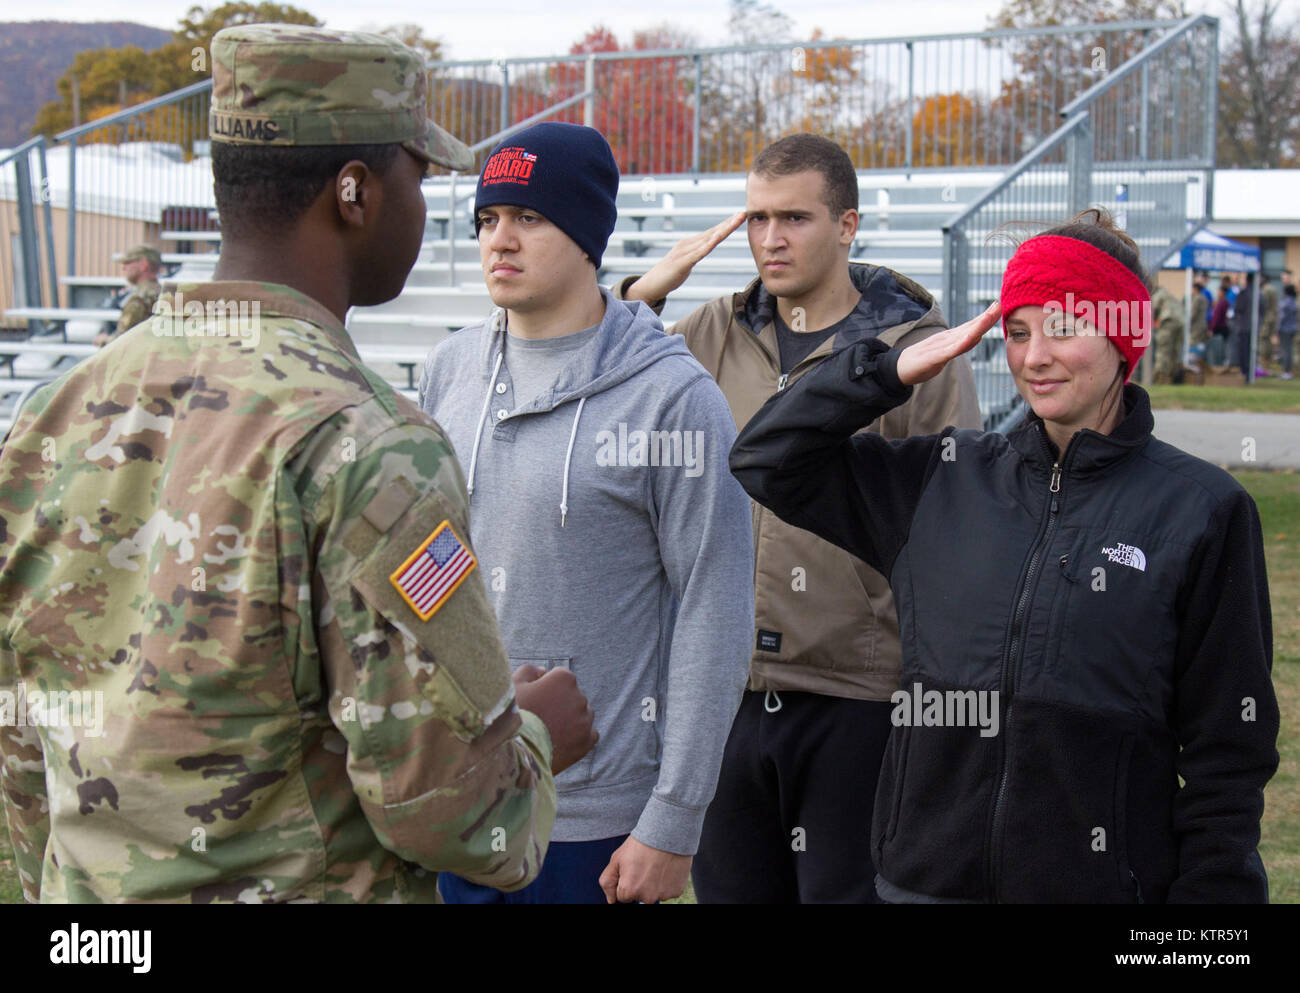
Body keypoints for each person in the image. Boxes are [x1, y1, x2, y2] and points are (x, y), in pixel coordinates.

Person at [0, 24, 598, 904]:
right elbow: (455, 818)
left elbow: (25, 745)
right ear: (354, 191)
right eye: (418, 179)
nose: (429, 210)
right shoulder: (368, 440)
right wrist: (536, 738)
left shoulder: (53, 413)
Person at [731, 208, 1279, 902]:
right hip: (921, 887)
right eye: (1017, 332)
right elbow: (765, 458)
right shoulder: (938, 477)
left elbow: (1229, 752)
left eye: (1064, 327)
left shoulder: (1202, 509)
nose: (1034, 356)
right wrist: (887, 370)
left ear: (1124, 338)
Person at [618, 132, 982, 903]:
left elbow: (953, 520)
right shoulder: (710, 330)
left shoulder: (913, 346)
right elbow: (602, 374)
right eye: (755, 218)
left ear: (847, 225)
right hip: (723, 687)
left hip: (855, 691)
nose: (770, 238)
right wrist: (642, 296)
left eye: (794, 218)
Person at [419, 122, 754, 905]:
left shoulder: (674, 398)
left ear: (586, 235)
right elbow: (438, 556)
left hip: (597, 825)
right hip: (465, 798)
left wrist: (672, 820)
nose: (500, 240)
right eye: (487, 219)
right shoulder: (450, 368)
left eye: (528, 218)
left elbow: (716, 607)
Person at [93, 244, 162, 346]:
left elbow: (122, 341)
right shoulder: (162, 292)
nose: (124, 268)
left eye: (128, 262)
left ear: (144, 265)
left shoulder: (141, 298)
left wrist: (103, 340)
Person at [1150, 284, 1185, 384]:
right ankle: (1173, 378)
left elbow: (1152, 310)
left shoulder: (1158, 295)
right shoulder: (1169, 295)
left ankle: (1160, 379)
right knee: (1175, 351)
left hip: (1168, 321)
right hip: (1181, 322)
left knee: (1163, 350)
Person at [1260, 273, 1279, 370]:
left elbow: (1264, 304)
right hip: (1273, 316)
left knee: (1263, 338)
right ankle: (1268, 360)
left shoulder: (1266, 289)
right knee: (1269, 339)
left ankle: (1263, 361)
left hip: (1267, 317)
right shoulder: (1273, 288)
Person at [1279, 283, 1297, 380]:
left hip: (1285, 329)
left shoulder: (1285, 303)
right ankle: (1288, 370)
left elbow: (1281, 317)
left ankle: (1286, 371)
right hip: (1292, 329)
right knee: (1289, 350)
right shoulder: (1294, 302)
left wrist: (1277, 329)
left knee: (1285, 350)